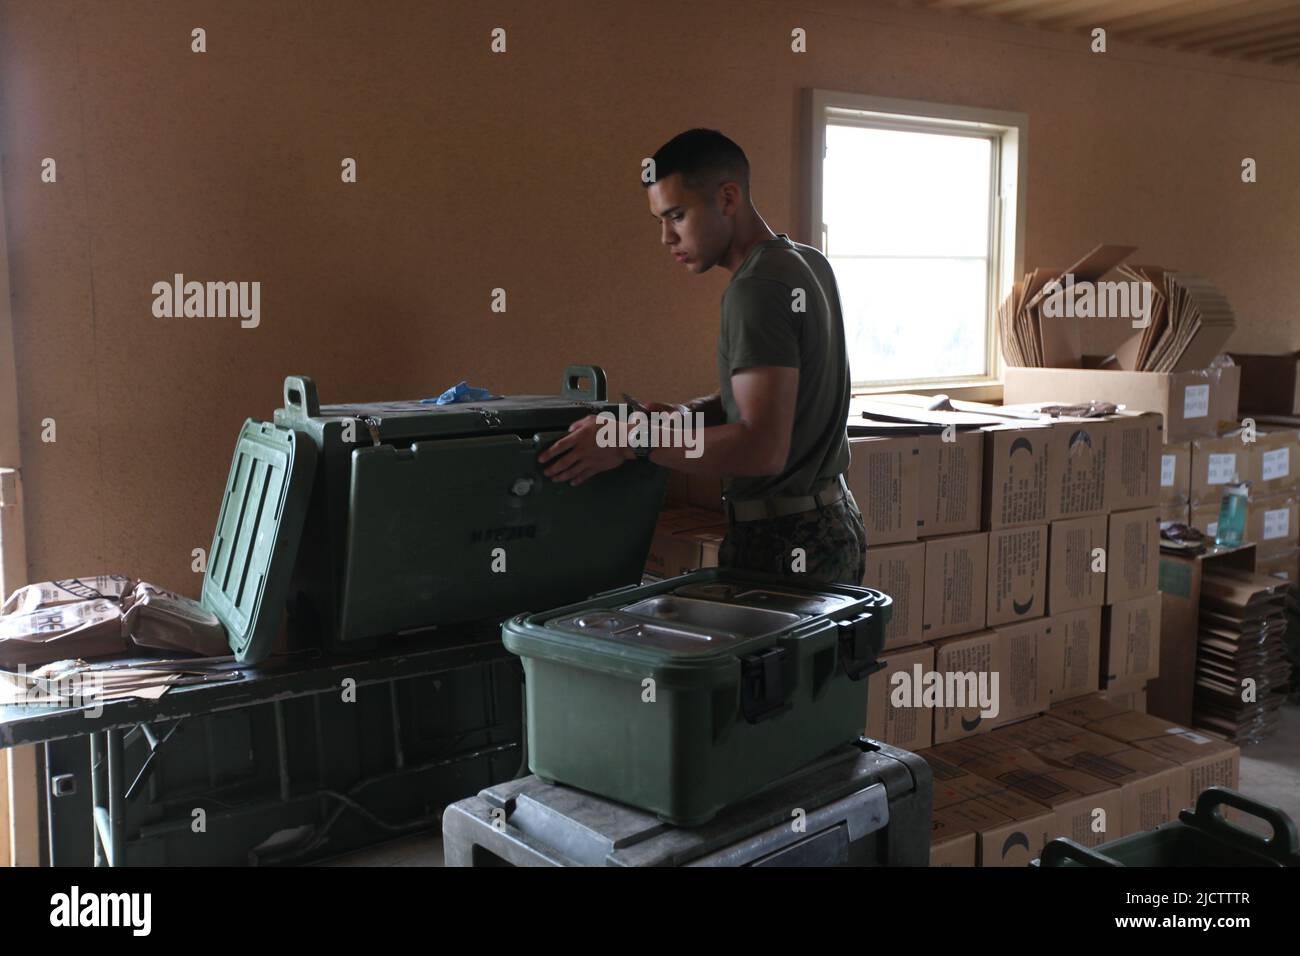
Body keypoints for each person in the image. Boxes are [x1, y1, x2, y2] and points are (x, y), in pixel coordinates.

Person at [538, 128, 865, 586]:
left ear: (727, 198)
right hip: (830, 521)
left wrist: (629, 439)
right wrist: (685, 415)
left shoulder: (756, 289)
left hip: (784, 541)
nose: (666, 237)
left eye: (677, 215)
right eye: (659, 220)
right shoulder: (806, 262)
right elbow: (776, 398)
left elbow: (761, 449)